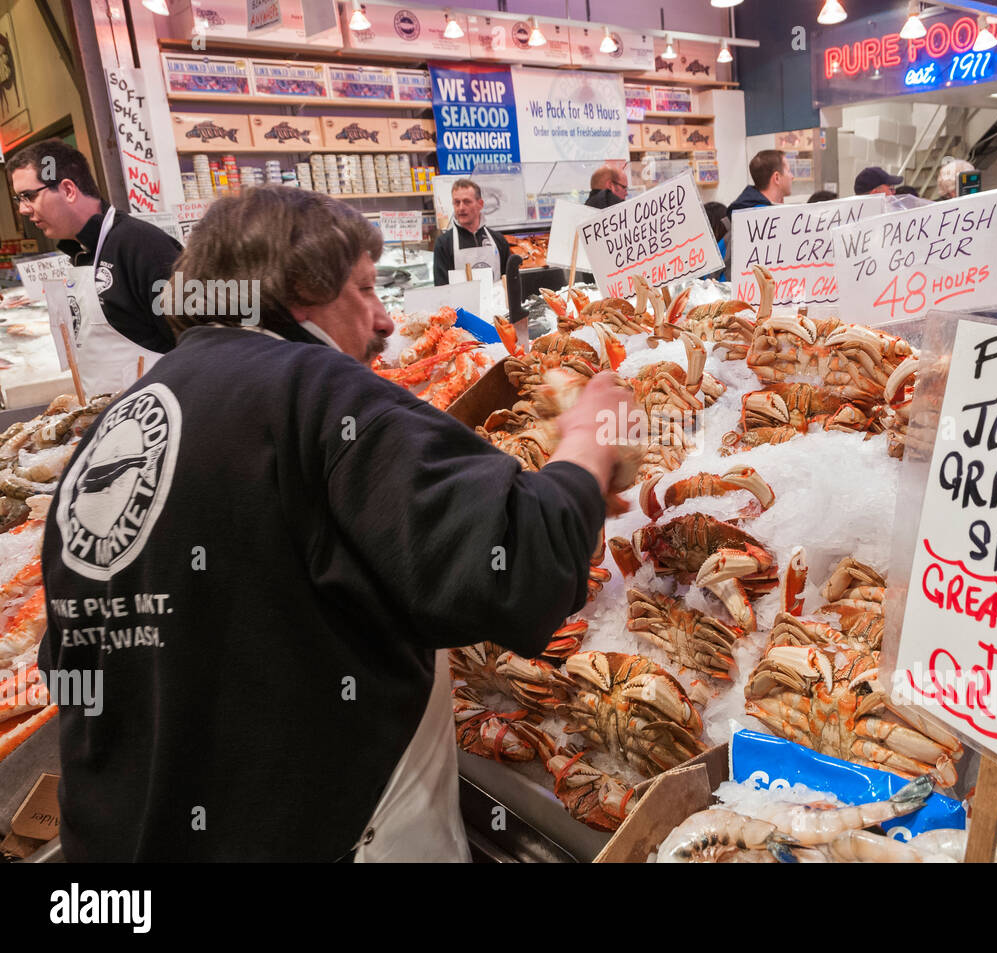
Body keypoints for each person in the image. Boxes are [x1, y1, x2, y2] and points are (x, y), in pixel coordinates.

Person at [39, 187, 631, 861]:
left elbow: (71, 668)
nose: (384, 321)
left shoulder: (113, 432)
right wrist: (587, 444)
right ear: (299, 288)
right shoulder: (312, 389)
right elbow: (522, 563)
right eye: (364, 290)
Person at [8, 139, 181, 393]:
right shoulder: (78, 251)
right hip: (108, 418)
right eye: (18, 199)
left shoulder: (142, 245)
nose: (23, 209)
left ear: (68, 190)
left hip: (158, 415)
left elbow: (200, 341)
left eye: (28, 196)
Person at [432, 178, 510, 285]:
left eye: (467, 202)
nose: (461, 208)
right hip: (460, 302)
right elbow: (441, 288)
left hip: (495, 301)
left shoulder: (498, 240)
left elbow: (509, 282)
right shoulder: (443, 244)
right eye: (456, 202)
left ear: (480, 204)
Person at [727, 149, 791, 216]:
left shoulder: (746, 209)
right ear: (777, 178)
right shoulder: (764, 216)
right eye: (789, 171)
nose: (792, 177)